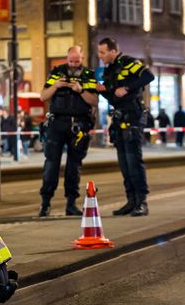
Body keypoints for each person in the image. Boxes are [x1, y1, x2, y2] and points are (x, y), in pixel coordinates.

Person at [95, 37, 154, 217]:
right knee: (124, 163)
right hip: (119, 118)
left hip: (133, 117)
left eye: (103, 52)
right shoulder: (108, 71)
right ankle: (131, 201)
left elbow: (148, 76)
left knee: (133, 161)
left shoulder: (128, 62)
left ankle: (141, 202)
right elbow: (115, 97)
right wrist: (104, 92)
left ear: (113, 51)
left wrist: (127, 88)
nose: (100, 56)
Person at [38, 45, 98, 217]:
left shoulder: (88, 75)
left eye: (76, 61)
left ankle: (71, 203)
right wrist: (56, 86)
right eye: (70, 61)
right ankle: (45, 203)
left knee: (74, 166)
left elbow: (94, 101)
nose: (73, 64)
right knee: (51, 164)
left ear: (82, 58)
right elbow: (43, 96)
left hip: (79, 125)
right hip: (57, 124)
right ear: (66, 58)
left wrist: (80, 90)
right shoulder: (57, 72)